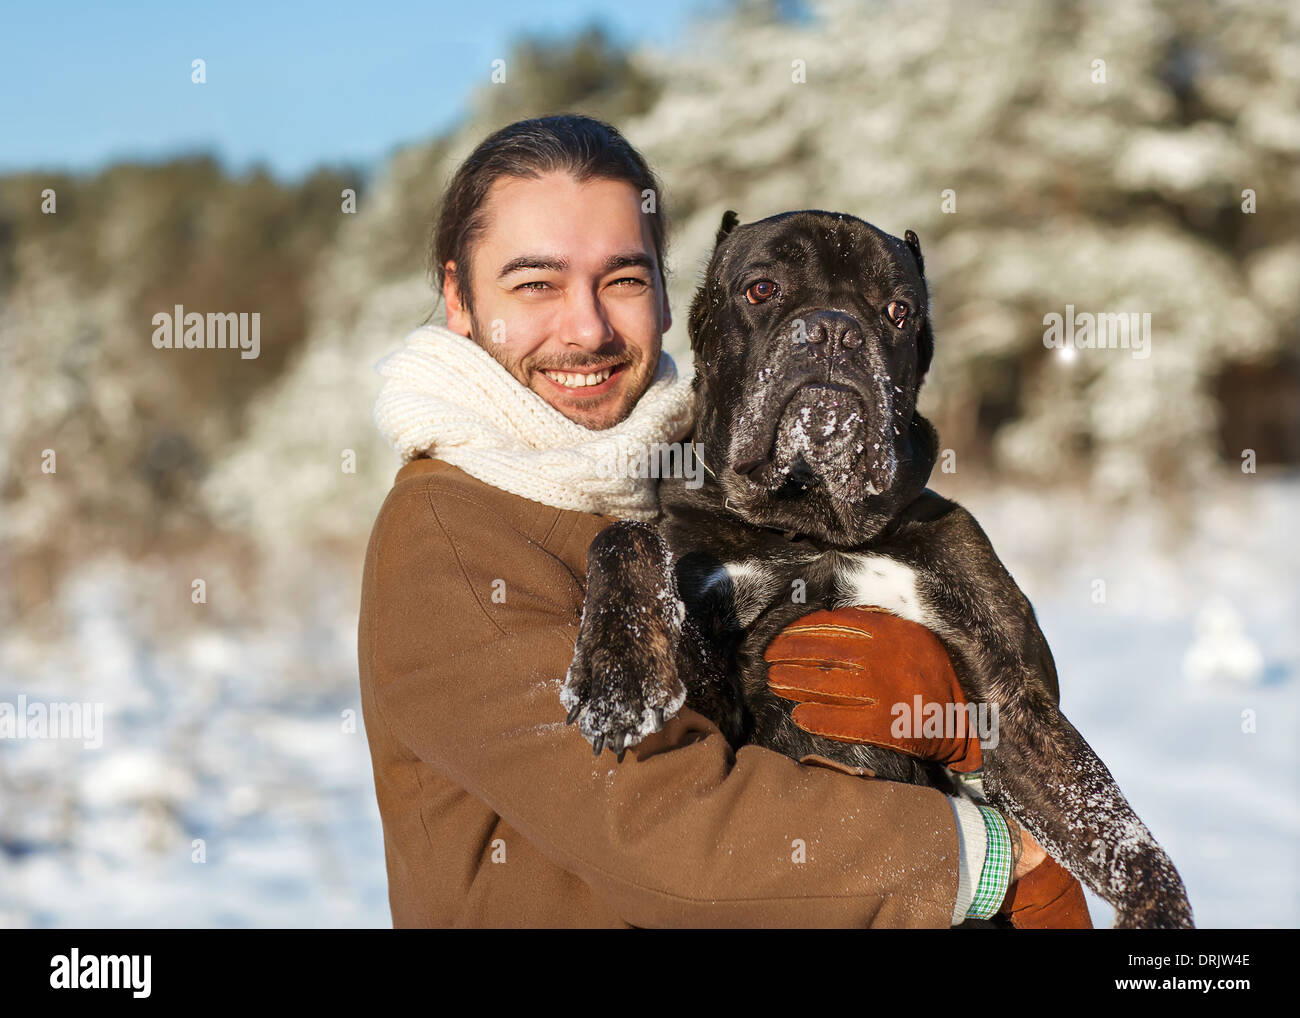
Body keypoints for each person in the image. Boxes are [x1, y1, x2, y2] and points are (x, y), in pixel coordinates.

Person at [358, 113, 1090, 928]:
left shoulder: (700, 484)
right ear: (459, 299)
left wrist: (963, 730)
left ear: (672, 300)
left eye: (623, 280)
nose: (588, 328)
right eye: (536, 283)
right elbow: (671, 833)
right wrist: (995, 856)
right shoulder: (451, 536)